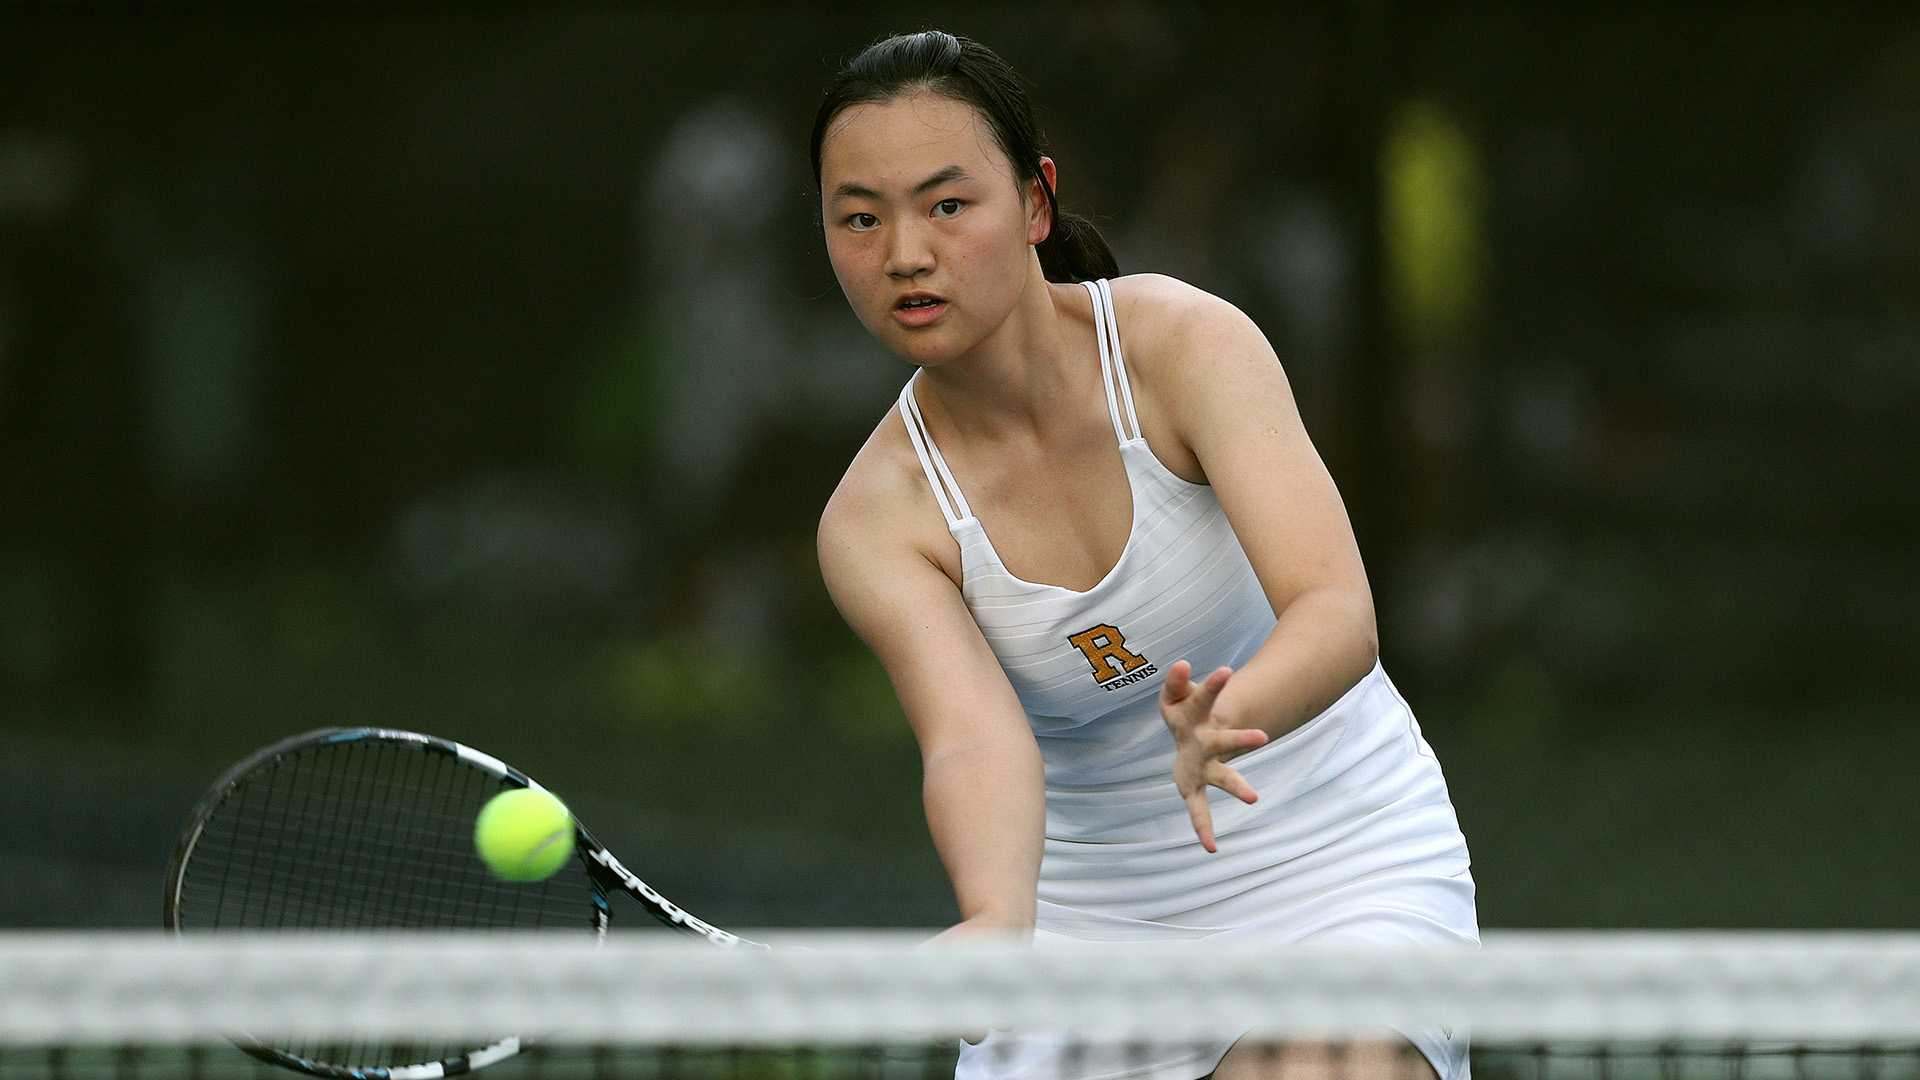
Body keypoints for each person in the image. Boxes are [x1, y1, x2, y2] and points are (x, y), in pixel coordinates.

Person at [811, 30, 1478, 1080]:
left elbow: (1336, 610)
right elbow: (975, 742)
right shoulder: (875, 520)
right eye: (860, 217)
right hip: (1088, 931)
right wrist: (994, 916)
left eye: (947, 205)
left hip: (1334, 863)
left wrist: (1230, 712)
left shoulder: (1182, 349)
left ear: (1036, 205)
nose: (904, 252)